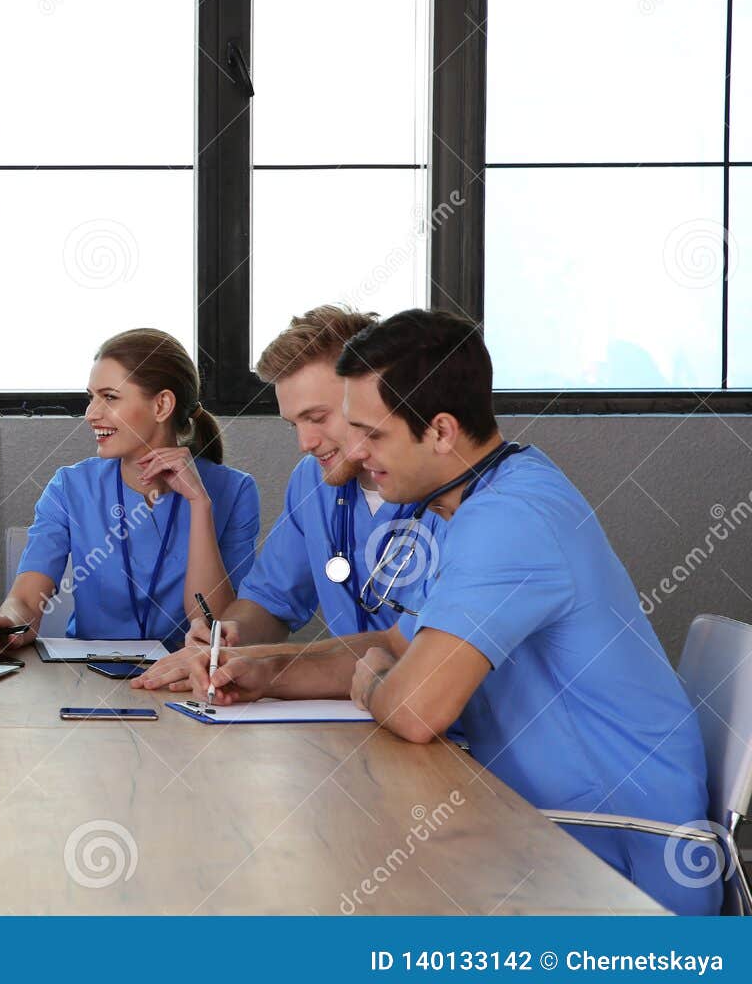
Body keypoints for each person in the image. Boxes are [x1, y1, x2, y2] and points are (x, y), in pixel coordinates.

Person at [183, 308, 715, 915]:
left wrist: (375, 682)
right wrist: (263, 671)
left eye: (373, 434)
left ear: (439, 431)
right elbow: (400, 645)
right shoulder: (486, 495)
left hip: (614, 868)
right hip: (535, 827)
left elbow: (414, 707)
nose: (357, 451)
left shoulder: (508, 520)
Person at [135, 306, 444, 690]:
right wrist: (228, 638)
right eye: (294, 424)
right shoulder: (312, 481)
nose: (305, 443)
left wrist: (264, 665)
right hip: (361, 708)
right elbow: (271, 601)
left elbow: (414, 650)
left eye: (318, 417)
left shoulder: (452, 493)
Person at [0, 328, 259, 652]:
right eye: (91, 397)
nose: (91, 414)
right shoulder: (69, 487)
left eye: (109, 397)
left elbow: (216, 630)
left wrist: (199, 504)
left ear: (162, 405)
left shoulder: (235, 491)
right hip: (86, 672)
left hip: (185, 673)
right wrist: (9, 621)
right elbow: (26, 600)